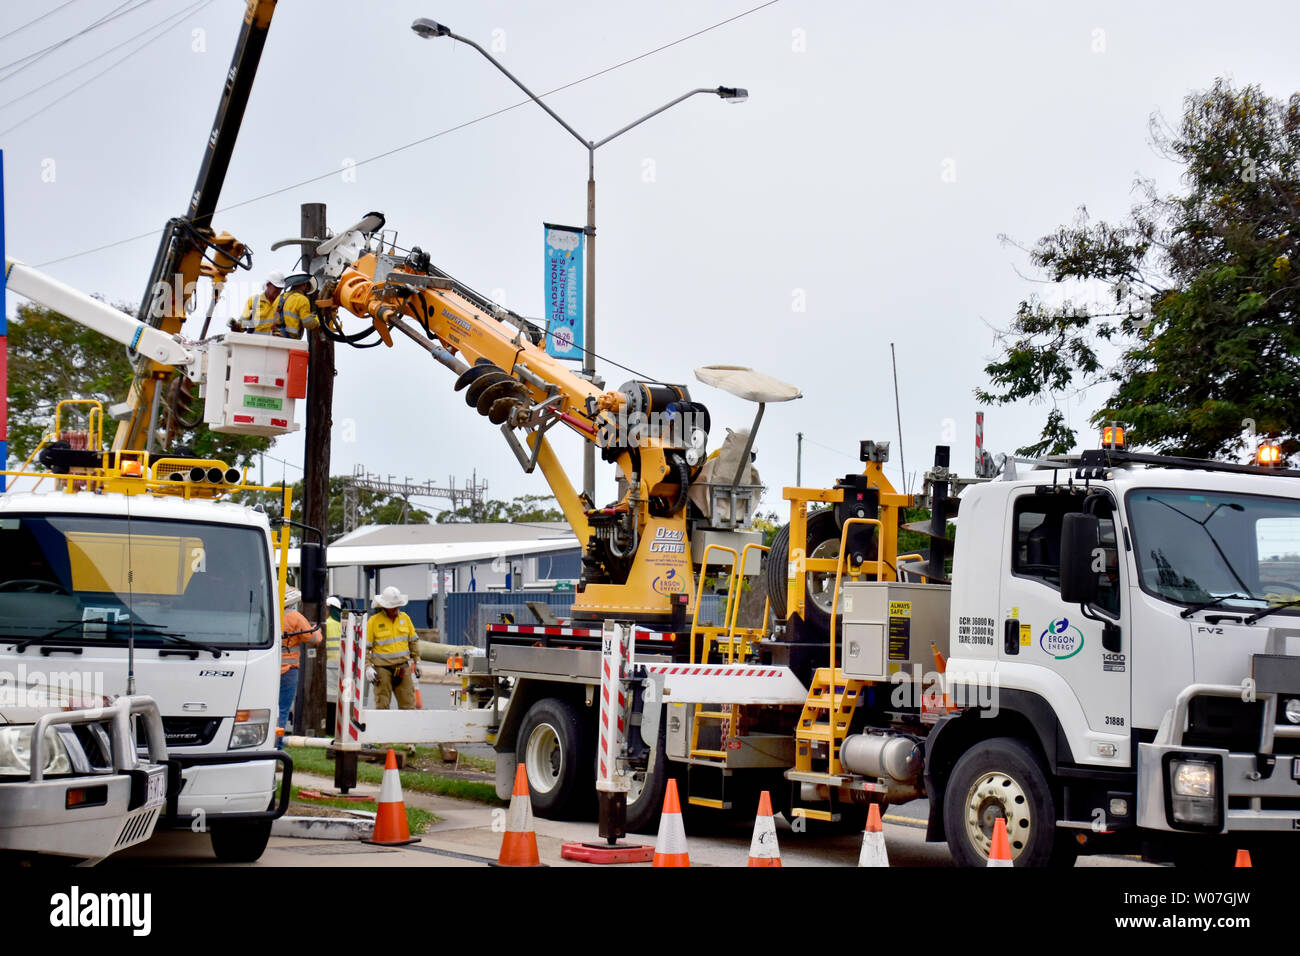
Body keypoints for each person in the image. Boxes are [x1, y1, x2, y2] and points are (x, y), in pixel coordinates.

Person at [278, 587, 322, 748]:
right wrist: (319, 630)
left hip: (267, 670)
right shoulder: (295, 617)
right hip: (288, 670)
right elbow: (313, 638)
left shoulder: (265, 614)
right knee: (281, 711)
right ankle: (276, 752)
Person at [365, 586, 420, 710]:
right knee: (382, 705)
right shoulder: (374, 622)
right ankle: (383, 729)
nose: (396, 609)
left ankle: (407, 729)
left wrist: (417, 662)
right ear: (385, 607)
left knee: (409, 705)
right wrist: (368, 667)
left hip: (402, 668)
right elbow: (366, 647)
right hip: (382, 669)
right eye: (393, 607)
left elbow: (413, 642)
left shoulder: (405, 619)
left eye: (397, 606)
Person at [266, 272, 321, 339]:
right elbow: (308, 323)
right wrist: (318, 321)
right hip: (290, 340)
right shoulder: (302, 299)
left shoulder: (280, 297)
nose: (307, 289)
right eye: (308, 286)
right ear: (304, 284)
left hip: (274, 337)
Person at [324, 596, 343, 735]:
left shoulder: (327, 624)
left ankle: (329, 727)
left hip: (328, 665)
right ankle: (337, 726)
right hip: (340, 665)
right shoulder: (342, 624)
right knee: (338, 698)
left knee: (328, 699)